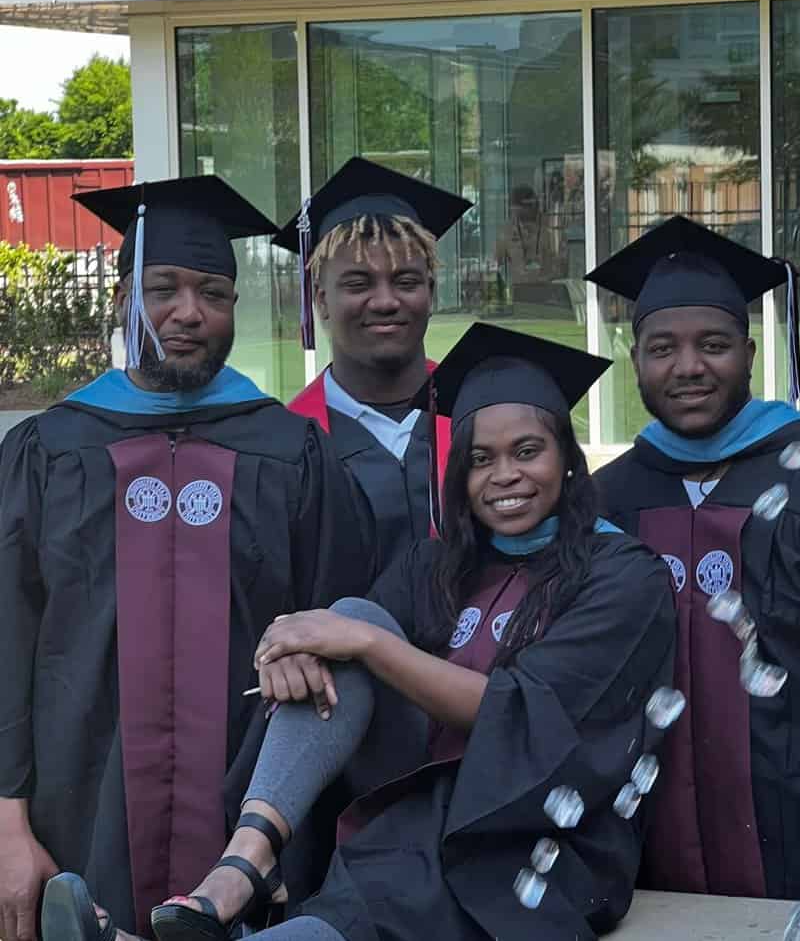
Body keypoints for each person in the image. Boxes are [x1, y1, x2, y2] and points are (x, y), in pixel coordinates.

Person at [42, 322, 677, 941]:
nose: (504, 475)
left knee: (385, 879)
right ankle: (246, 859)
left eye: (528, 451)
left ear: (568, 459)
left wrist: (368, 644)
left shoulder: (621, 575)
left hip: (540, 833)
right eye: (480, 459)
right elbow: (344, 645)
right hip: (421, 810)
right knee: (350, 619)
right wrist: (289, 649)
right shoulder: (438, 565)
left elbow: (524, 713)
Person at [0, 176, 376, 941]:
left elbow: (347, 630)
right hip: (76, 815)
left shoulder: (292, 453)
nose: (188, 312)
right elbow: (4, 640)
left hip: (249, 816)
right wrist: (7, 823)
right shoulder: (48, 450)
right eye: (163, 288)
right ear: (121, 300)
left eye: (213, 293)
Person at [587, 215, 800, 908]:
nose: (688, 367)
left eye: (713, 345)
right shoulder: (605, 502)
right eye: (662, 348)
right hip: (649, 868)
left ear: (748, 352)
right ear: (635, 359)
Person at [275, 158, 471, 568]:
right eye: (358, 284)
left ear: (431, 293)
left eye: (406, 282)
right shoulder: (287, 446)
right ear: (321, 300)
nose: (385, 302)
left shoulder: (477, 417)